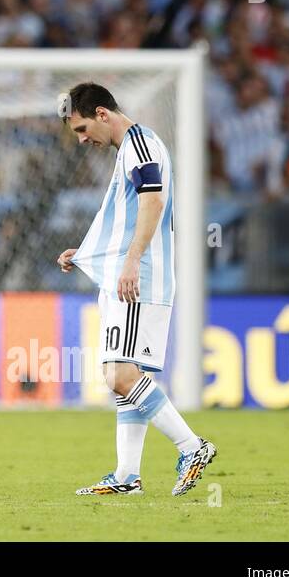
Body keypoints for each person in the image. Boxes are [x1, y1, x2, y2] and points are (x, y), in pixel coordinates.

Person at [58, 82, 217, 497]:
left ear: (102, 115)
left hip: (138, 277)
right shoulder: (129, 149)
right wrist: (93, 252)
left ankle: (191, 446)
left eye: (81, 129)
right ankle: (127, 476)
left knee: (120, 374)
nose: (81, 140)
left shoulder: (141, 145)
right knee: (123, 377)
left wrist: (129, 262)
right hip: (126, 273)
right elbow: (129, 214)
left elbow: (153, 202)